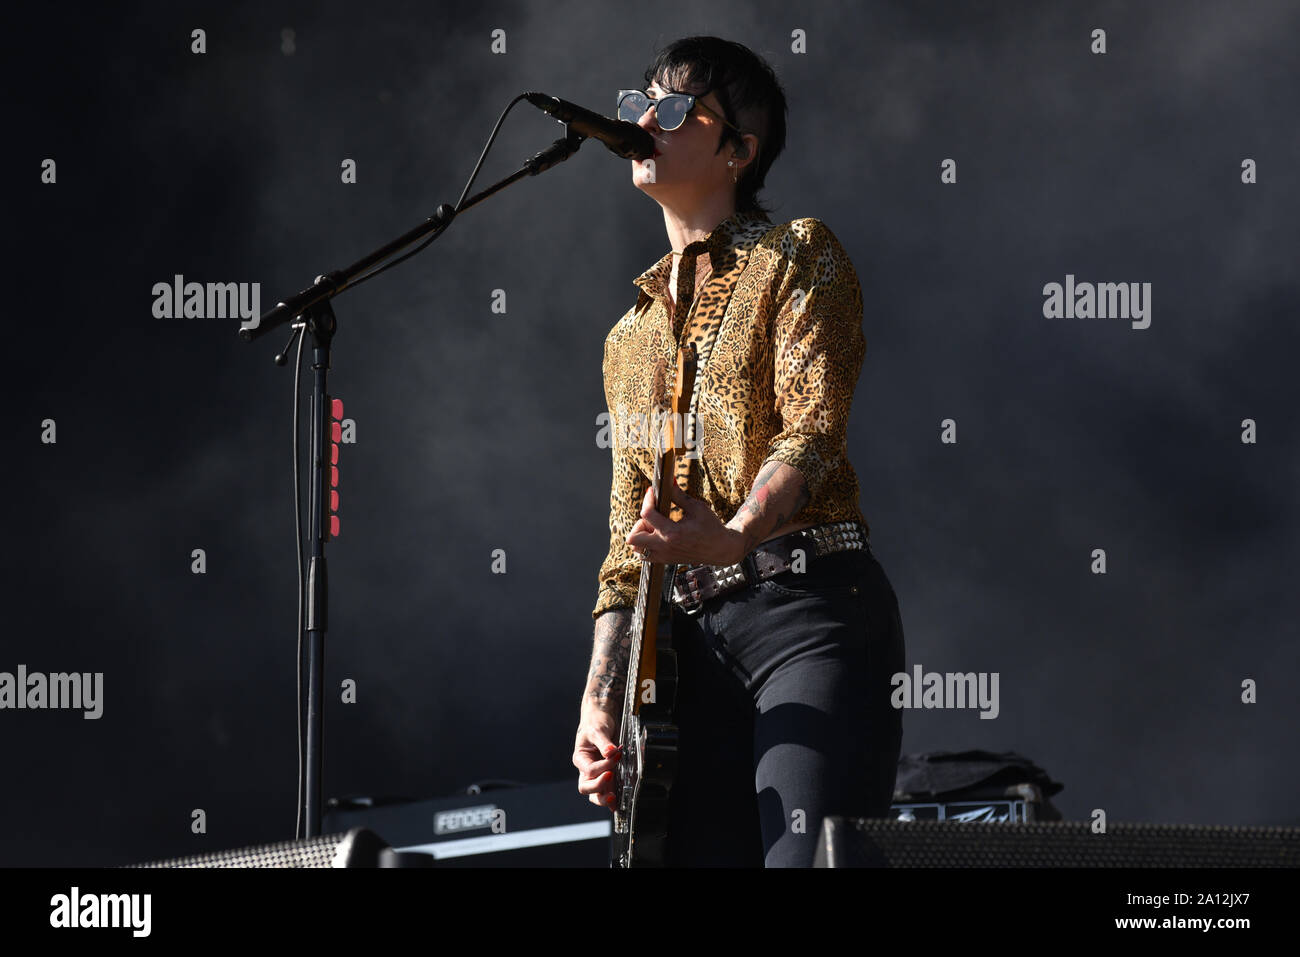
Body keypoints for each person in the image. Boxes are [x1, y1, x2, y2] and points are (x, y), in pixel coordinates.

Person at [572, 36, 905, 867]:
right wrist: (598, 700)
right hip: (688, 649)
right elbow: (626, 541)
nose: (645, 120)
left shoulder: (797, 254)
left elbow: (813, 431)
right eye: (638, 102)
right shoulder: (628, 337)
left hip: (808, 610)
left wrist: (736, 530)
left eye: (679, 109)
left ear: (739, 151)